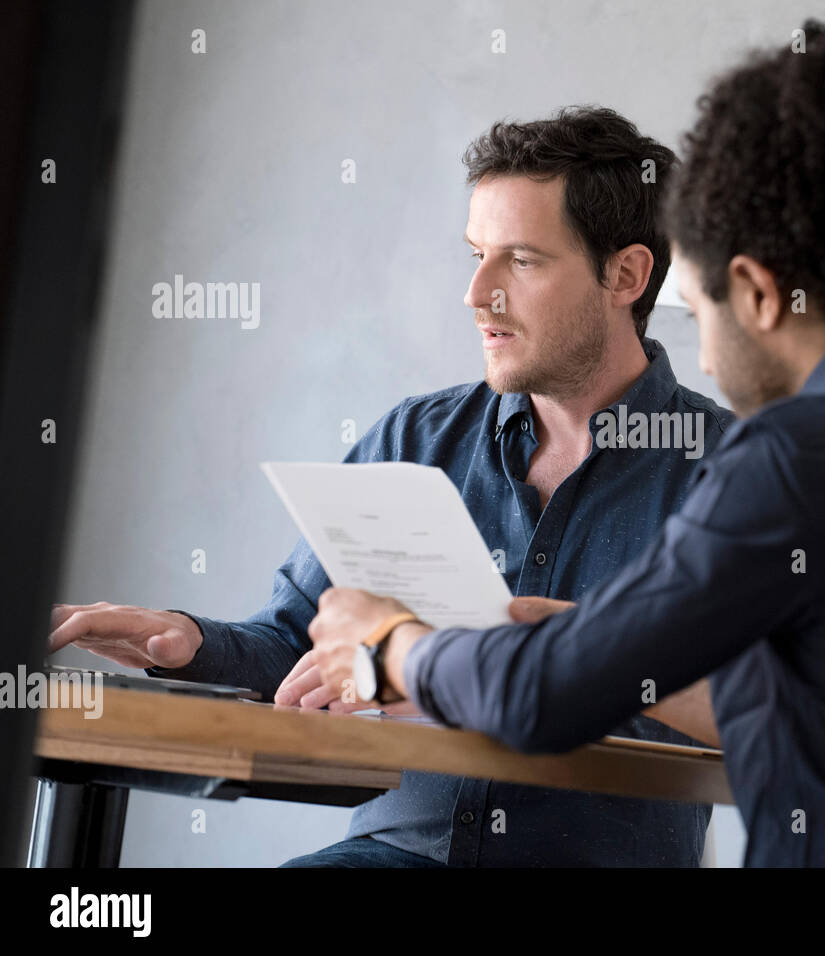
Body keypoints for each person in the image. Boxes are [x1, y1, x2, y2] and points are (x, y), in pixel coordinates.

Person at [304, 15, 825, 867]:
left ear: (758, 293)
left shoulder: (798, 454)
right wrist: (601, 642)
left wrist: (388, 641)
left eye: (696, 304)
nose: (694, 343)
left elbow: (535, 701)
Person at [48, 106, 733, 867]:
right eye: (475, 254)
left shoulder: (734, 476)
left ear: (626, 275)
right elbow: (297, 645)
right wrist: (188, 644)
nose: (478, 294)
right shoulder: (415, 440)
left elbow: (778, 714)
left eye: (522, 261)